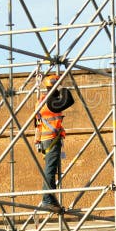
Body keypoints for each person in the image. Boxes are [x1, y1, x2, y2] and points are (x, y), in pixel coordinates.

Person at [34, 73, 75, 212]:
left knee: (51, 169)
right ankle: (47, 199)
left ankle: (51, 198)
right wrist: (62, 86)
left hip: (48, 139)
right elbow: (69, 99)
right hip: (51, 138)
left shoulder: (43, 100)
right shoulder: (50, 102)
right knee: (50, 170)